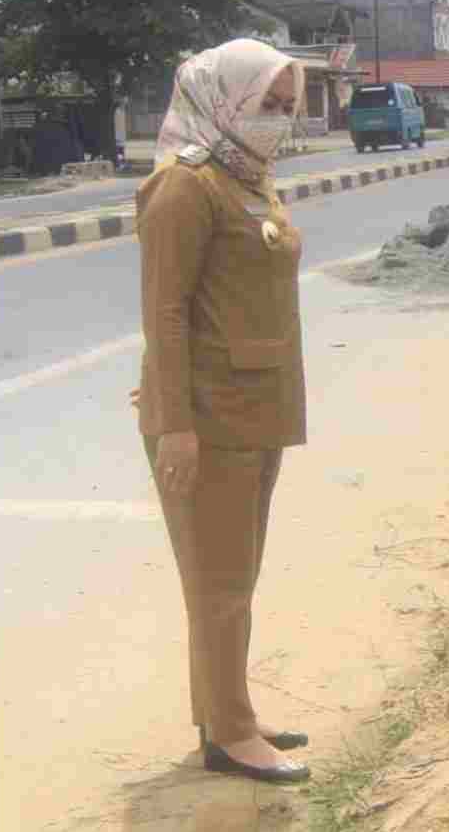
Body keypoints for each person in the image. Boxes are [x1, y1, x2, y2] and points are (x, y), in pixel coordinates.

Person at [130, 38, 311, 785]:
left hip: (255, 407)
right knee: (219, 583)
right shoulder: (185, 187)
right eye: (266, 102)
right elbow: (164, 314)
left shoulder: (248, 177)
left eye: (286, 105)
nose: (278, 118)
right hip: (206, 419)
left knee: (235, 576)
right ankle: (230, 734)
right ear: (224, 99)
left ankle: (226, 708)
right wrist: (175, 421)